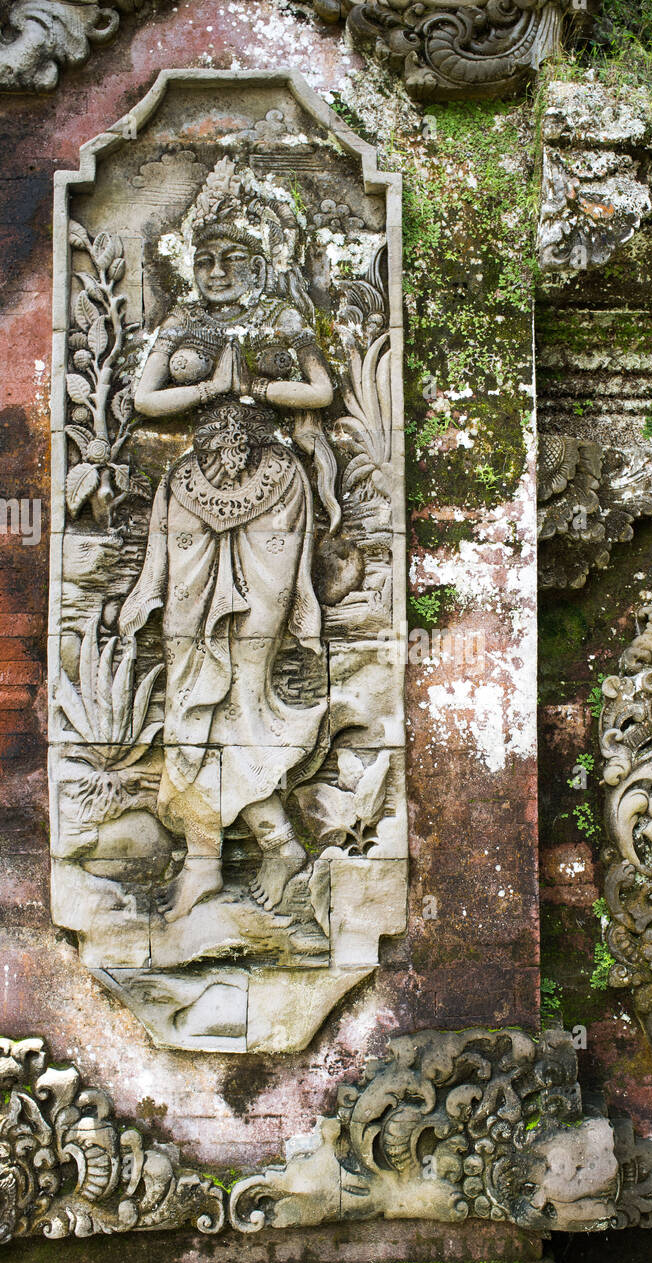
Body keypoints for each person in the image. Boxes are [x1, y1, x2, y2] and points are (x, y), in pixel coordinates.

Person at [119, 159, 338, 924]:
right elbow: (146, 399)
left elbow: (323, 392)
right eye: (204, 260)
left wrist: (256, 392)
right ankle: (234, 854)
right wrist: (212, 390)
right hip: (192, 493)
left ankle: (244, 849)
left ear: (260, 259)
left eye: (232, 260)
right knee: (187, 669)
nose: (216, 273)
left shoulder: (280, 318)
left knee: (248, 667)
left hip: (271, 493)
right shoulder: (183, 321)